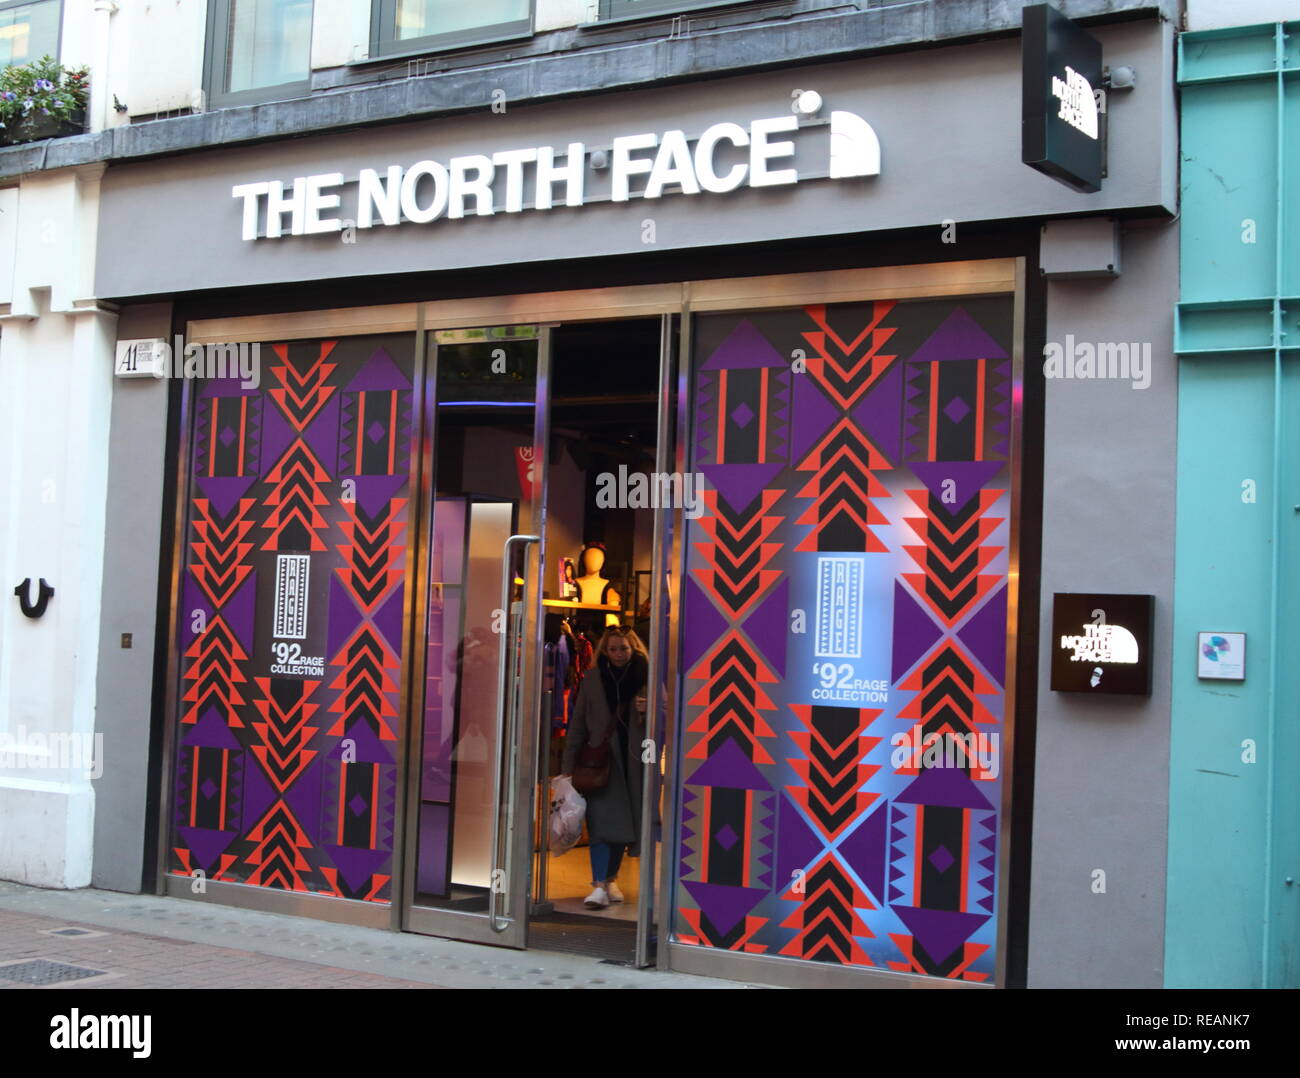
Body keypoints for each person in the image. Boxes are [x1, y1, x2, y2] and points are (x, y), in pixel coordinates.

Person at [560, 626, 648, 909]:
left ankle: (610, 879)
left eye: (623, 648)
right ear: (604, 651)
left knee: (624, 826)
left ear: (633, 648)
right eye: (612, 649)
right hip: (600, 762)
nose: (619, 654)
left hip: (635, 764)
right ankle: (599, 884)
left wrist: (649, 712)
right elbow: (578, 723)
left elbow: (668, 722)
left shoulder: (647, 677)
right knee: (600, 823)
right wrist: (567, 766)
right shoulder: (594, 679)